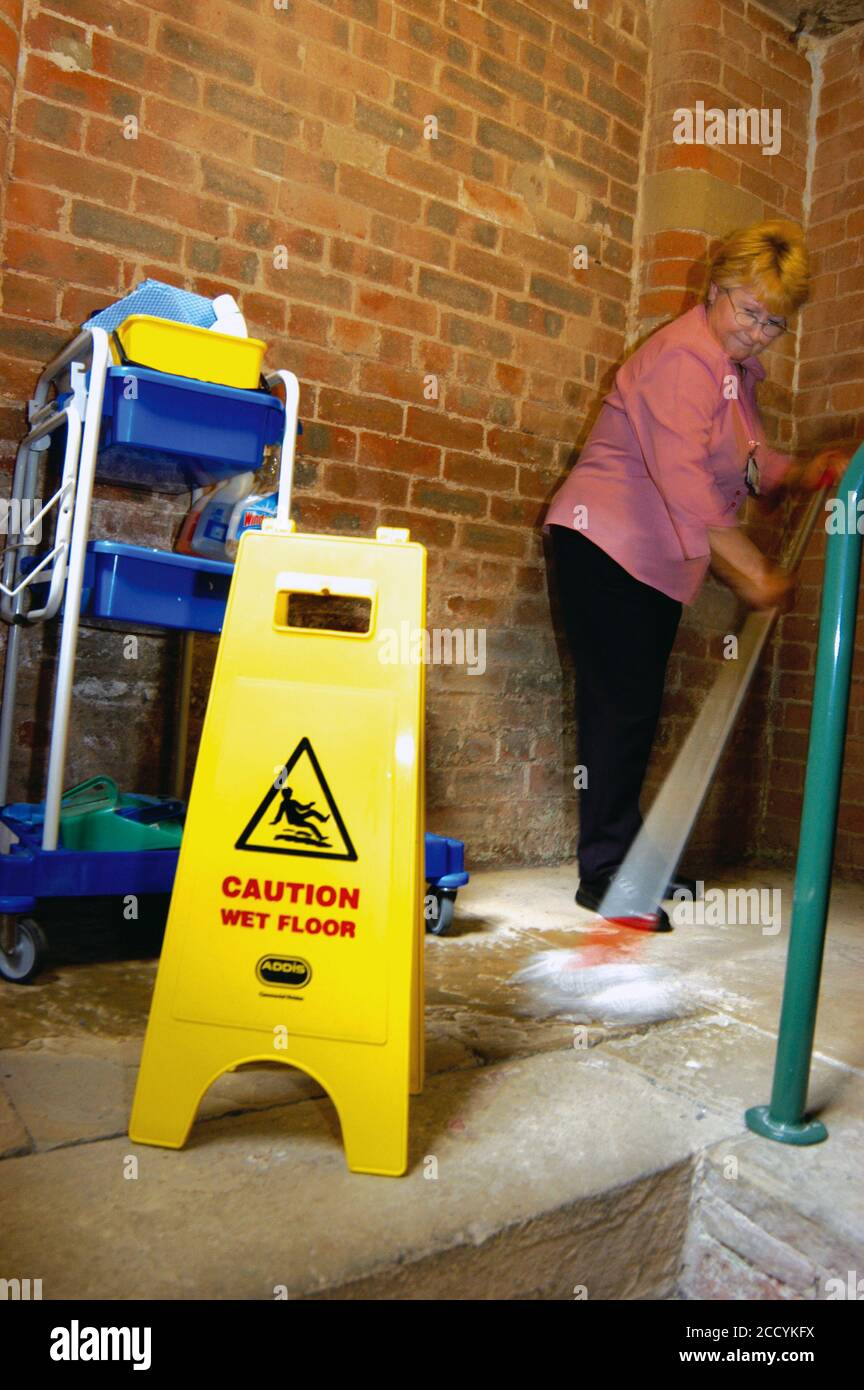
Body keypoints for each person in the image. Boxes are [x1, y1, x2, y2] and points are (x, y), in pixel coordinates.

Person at [544, 220, 851, 931]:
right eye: (750, 311)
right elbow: (685, 482)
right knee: (619, 709)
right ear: (715, 291)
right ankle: (608, 876)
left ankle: (629, 863)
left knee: (635, 710)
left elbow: (747, 462)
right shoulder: (684, 358)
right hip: (607, 544)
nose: (759, 332)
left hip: (649, 561)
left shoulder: (732, 376)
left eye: (775, 321)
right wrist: (750, 571)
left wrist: (802, 472)